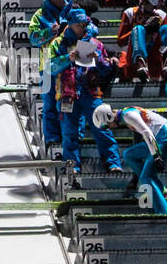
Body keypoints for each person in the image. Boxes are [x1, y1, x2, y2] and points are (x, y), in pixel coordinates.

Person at [48, 12, 122, 181]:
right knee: (70, 133)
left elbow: (106, 70)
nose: (82, 28)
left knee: (102, 126)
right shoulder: (58, 43)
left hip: (91, 92)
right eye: (79, 25)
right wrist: (68, 58)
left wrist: (100, 60)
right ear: (71, 24)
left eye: (84, 25)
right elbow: (49, 67)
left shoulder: (95, 43)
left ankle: (113, 162)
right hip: (67, 94)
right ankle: (73, 166)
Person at [92, 102, 167, 214]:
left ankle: (165, 215)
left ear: (109, 116)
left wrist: (156, 156)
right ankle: (160, 188)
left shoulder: (128, 115)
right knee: (128, 154)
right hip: (159, 138)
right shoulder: (126, 116)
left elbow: (146, 132)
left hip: (165, 138)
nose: (109, 128)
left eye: (105, 126)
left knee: (147, 177)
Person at [29, 0, 71, 153]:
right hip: (47, 65)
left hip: (69, 63)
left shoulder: (72, 11)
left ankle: (70, 136)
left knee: (69, 102)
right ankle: (53, 139)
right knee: (49, 103)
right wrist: (50, 31)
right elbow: (33, 38)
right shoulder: (40, 14)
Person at [116, 0, 167, 83]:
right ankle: (141, 63)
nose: (162, 2)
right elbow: (120, 42)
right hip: (133, 57)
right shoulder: (130, 13)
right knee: (138, 29)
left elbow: (163, 40)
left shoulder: (161, 15)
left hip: (155, 55)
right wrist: (144, 28)